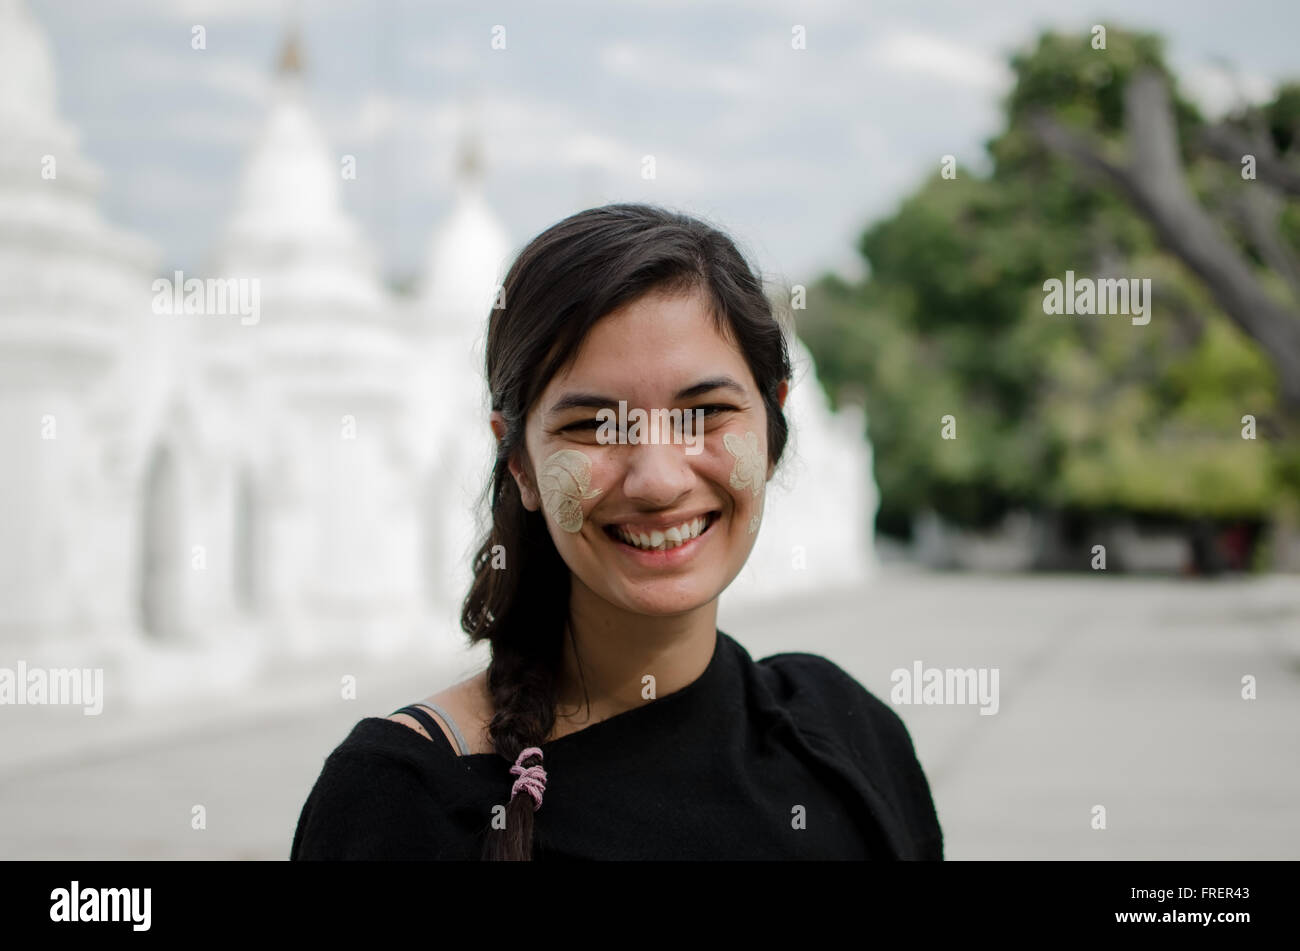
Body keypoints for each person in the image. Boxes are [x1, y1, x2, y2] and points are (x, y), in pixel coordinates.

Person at [290, 202, 943, 860]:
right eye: (594, 425)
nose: (658, 480)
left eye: (706, 413)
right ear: (519, 462)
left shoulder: (844, 734)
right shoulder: (401, 801)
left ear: (772, 426)